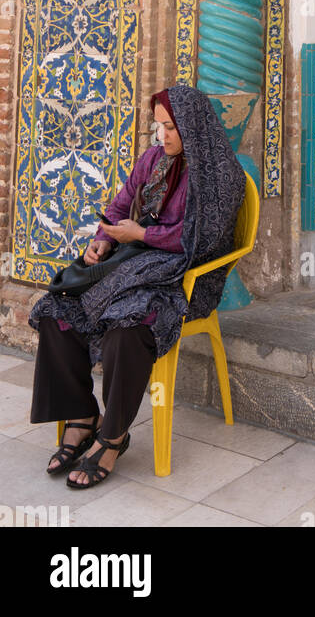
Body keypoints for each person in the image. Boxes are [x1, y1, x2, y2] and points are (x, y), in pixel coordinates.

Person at [29, 82, 246, 489]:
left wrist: (142, 237)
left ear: (193, 127)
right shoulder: (152, 160)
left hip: (180, 281)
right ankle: (81, 415)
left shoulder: (221, 177)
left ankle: (112, 437)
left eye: (170, 128)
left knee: (126, 327)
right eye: (157, 126)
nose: (160, 136)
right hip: (131, 265)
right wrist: (105, 238)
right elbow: (119, 204)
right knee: (56, 310)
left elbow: (203, 241)